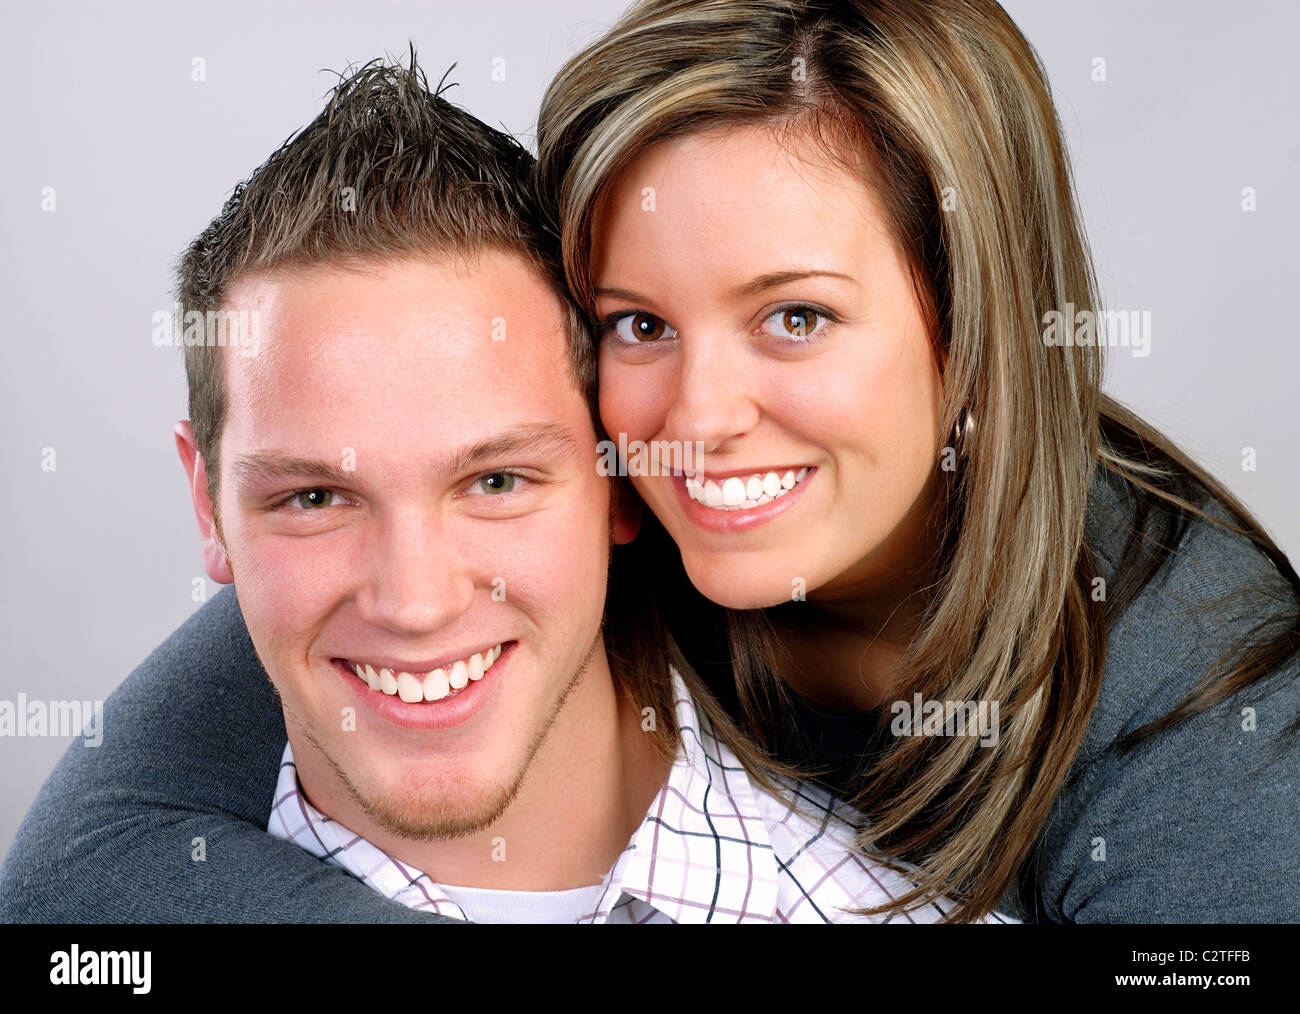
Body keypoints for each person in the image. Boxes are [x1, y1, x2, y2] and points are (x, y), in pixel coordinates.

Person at [6, 0, 1296, 924]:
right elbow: (80, 872)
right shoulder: (571, 500)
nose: (697, 415)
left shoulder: (1184, 687)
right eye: (637, 323)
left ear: (976, 335)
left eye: (796, 316)